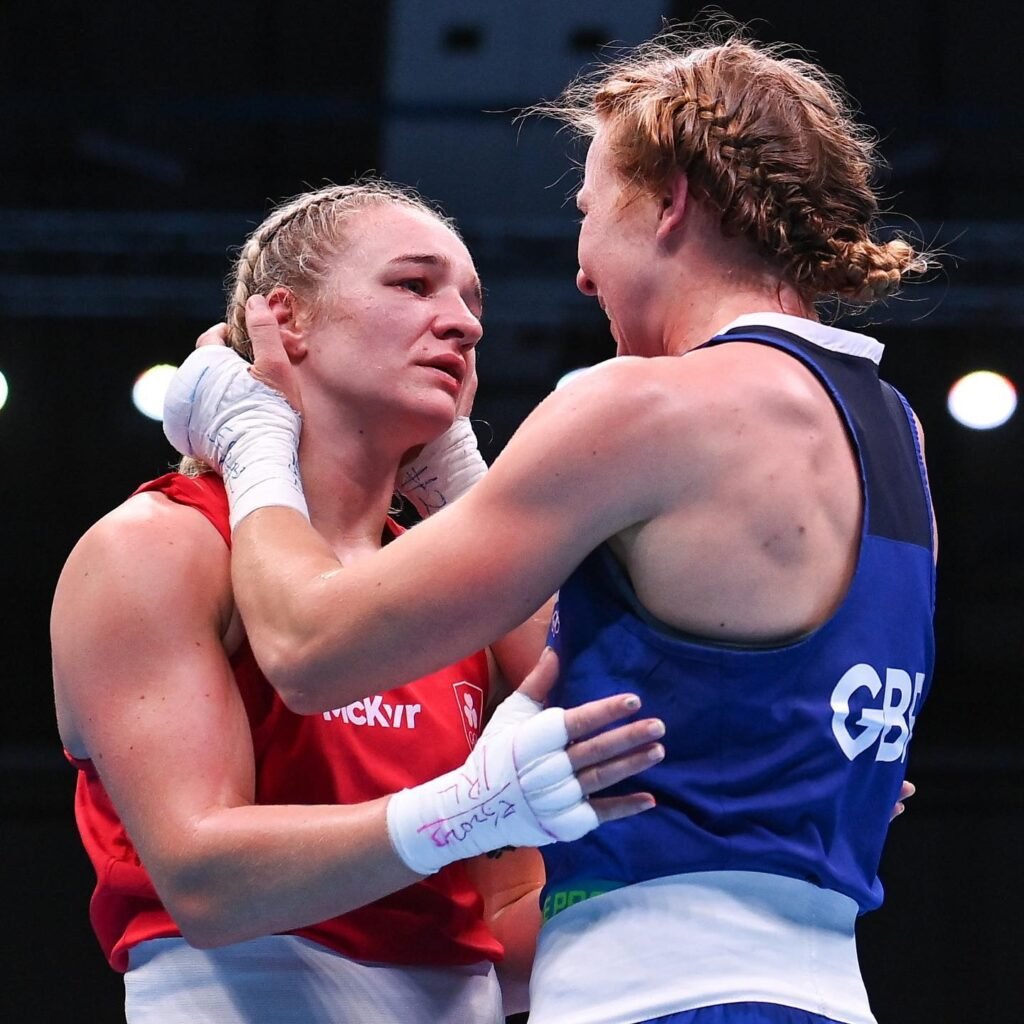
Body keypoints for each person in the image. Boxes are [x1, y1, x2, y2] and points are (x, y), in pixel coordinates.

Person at [165, 26, 935, 1024]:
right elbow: (707, 682)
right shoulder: (892, 428)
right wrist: (470, 493)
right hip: (823, 992)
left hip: (657, 1000)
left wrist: (251, 434)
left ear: (668, 204)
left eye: (587, 214)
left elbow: (309, 650)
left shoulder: (644, 403)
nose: (579, 272)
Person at [51, 180, 666, 1024]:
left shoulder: (437, 593)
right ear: (287, 321)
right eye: (414, 285)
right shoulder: (160, 546)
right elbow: (205, 882)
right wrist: (471, 809)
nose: (463, 322)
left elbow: (499, 932)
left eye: (470, 299)